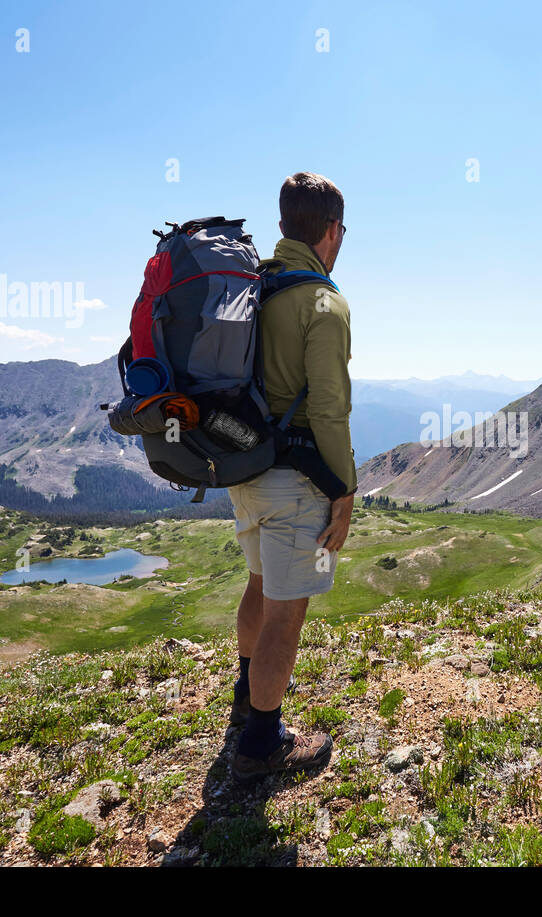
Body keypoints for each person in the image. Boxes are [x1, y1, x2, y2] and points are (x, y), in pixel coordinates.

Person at [227, 172, 356, 784]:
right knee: (287, 613)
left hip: (243, 467)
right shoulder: (324, 304)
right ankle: (261, 741)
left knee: (258, 584)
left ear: (283, 227)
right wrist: (345, 489)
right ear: (331, 231)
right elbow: (329, 407)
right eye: (343, 231)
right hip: (295, 481)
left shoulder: (255, 287)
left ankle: (243, 698)